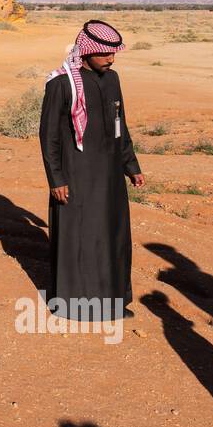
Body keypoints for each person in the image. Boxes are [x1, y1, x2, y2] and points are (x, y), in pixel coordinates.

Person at [38, 20, 144, 321]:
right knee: (79, 237)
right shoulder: (60, 83)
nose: (111, 59)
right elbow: (49, 137)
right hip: (75, 174)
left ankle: (112, 302)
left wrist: (131, 165)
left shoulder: (113, 79)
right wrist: (55, 178)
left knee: (112, 234)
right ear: (86, 52)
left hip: (109, 173)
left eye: (114, 54)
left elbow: (120, 125)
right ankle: (73, 305)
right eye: (105, 54)